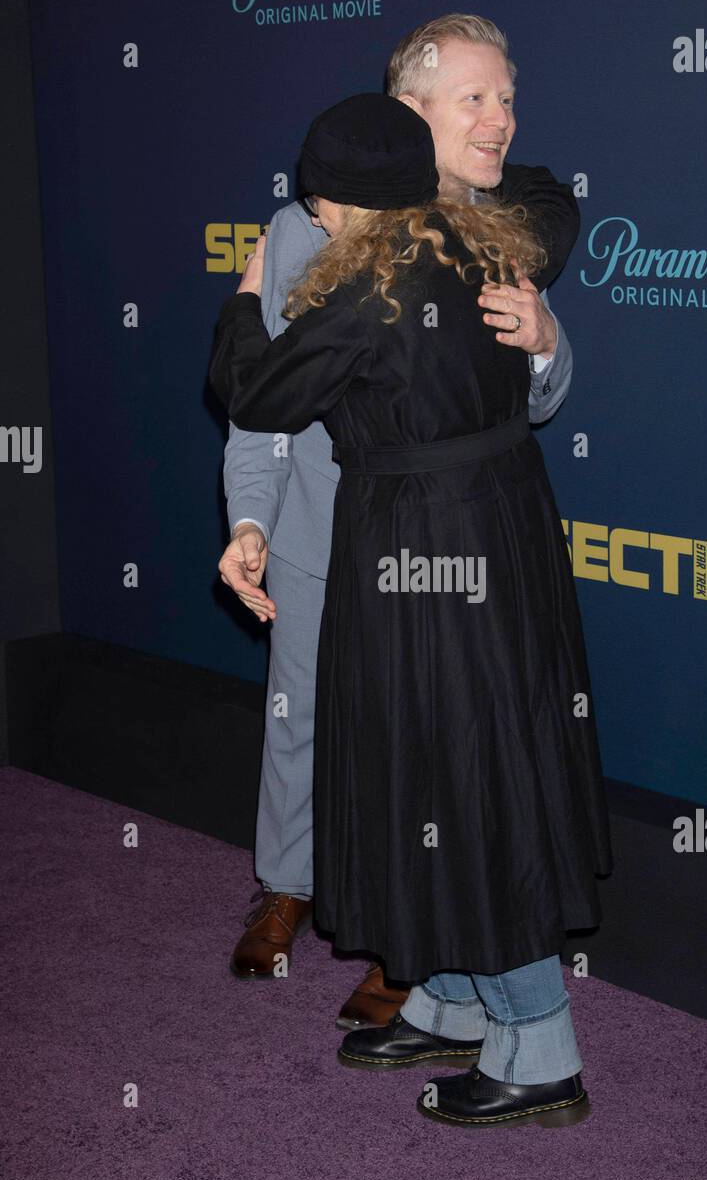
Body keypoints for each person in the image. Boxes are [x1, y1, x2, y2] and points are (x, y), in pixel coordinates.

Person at [210, 94, 613, 1128]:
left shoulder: (366, 292)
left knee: (461, 777)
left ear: (347, 201)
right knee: (461, 763)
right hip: (495, 531)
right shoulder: (473, 243)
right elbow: (551, 207)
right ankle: (458, 1000)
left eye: (324, 202)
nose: (321, 219)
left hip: (425, 546)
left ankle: (540, 1046)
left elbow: (252, 391)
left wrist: (245, 293)